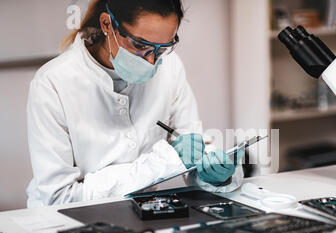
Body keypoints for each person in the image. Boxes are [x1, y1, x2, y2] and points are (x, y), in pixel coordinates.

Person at [26, 0, 244, 208]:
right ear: (107, 24)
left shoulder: (170, 67)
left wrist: (212, 174)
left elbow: (193, 148)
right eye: (140, 45)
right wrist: (162, 161)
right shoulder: (52, 83)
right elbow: (59, 197)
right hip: (65, 225)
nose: (151, 62)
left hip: (143, 216)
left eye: (162, 48)